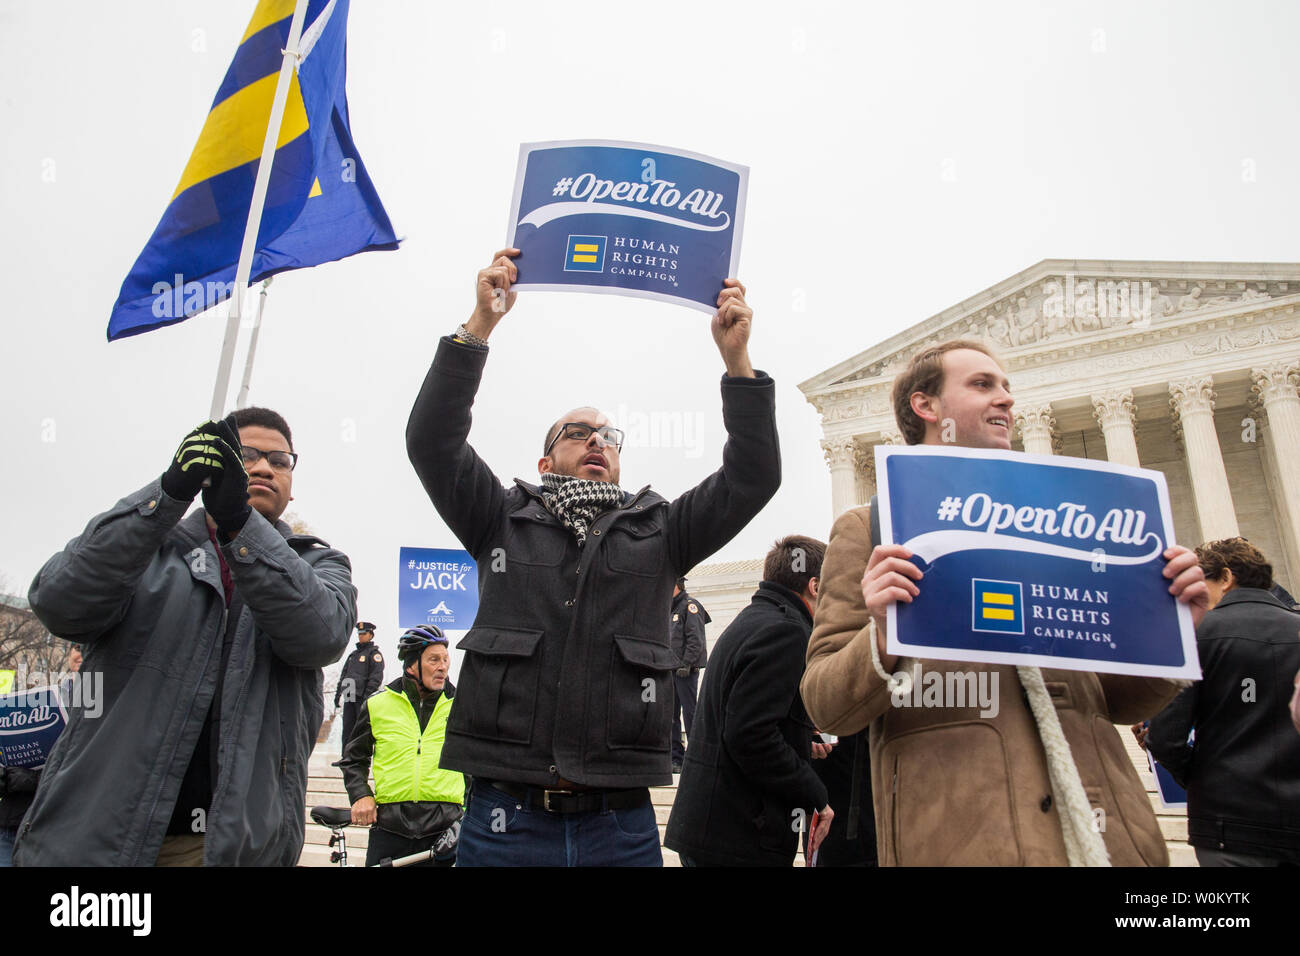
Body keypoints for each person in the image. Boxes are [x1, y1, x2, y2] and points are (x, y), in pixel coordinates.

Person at [405, 248, 780, 867]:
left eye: (608, 435)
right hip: (504, 818)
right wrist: (480, 324)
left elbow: (754, 475)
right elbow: (432, 440)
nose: (598, 441)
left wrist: (736, 361)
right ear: (545, 461)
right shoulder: (498, 516)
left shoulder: (662, 531)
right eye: (579, 432)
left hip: (621, 823)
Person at [800, 340, 1209, 866]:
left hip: (1109, 843)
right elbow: (824, 702)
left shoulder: (1061, 527)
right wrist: (880, 634)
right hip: (968, 841)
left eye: (1007, 386)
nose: (1006, 399)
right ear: (927, 407)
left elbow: (1115, 704)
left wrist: (1172, 630)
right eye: (982, 385)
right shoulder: (866, 530)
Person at [14, 409, 356, 866]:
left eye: (280, 460)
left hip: (231, 849)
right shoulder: (146, 548)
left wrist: (239, 524)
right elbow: (58, 601)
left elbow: (321, 635)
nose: (262, 468)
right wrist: (166, 494)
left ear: (293, 480)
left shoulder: (320, 565)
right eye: (247, 455)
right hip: (97, 838)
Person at [665, 536, 833, 867]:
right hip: (738, 836)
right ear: (815, 585)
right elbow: (749, 735)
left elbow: (746, 716)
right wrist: (816, 793)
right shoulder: (788, 632)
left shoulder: (754, 619)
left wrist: (799, 736)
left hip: (711, 829)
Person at [1147, 538, 1300, 866]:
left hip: (1226, 825)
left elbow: (1163, 738)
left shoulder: (1197, 633)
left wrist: (1201, 777)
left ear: (1227, 578)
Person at [339, 626, 464, 867]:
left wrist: (468, 818)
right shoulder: (377, 704)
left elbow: (476, 764)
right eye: (434, 659)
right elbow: (354, 758)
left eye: (446, 660)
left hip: (445, 828)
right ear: (411, 664)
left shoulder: (460, 706)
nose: (443, 667)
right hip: (391, 828)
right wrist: (361, 794)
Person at [0, 643, 82, 867]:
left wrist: (34, 779)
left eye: (87, 648)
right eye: (76, 647)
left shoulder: (103, 704)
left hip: (56, 830)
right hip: (10, 824)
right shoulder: (41, 698)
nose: (80, 654)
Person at [669, 577, 709, 773]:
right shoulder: (670, 608)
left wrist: (686, 663)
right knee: (671, 716)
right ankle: (676, 758)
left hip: (685, 672)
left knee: (690, 713)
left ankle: (695, 758)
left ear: (678, 585)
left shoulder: (690, 606)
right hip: (670, 671)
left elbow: (696, 639)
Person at [334, 621, 385, 749]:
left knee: (360, 728)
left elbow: (376, 677)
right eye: (359, 633)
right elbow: (344, 675)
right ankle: (345, 756)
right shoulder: (353, 655)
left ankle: (357, 758)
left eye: (364, 633)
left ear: (371, 635)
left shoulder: (374, 654)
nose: (361, 636)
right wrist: (338, 694)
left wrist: (367, 696)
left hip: (362, 696)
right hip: (350, 694)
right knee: (347, 727)